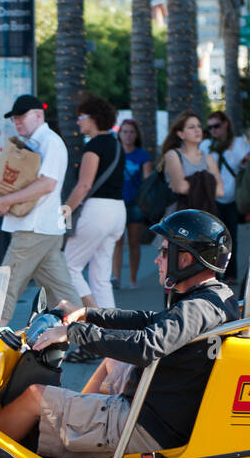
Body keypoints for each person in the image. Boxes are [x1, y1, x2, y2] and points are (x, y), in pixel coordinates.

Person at [0, 210, 240, 458]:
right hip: (160, 411)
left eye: (164, 252)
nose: (157, 260)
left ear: (185, 259)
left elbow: (147, 344)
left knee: (35, 396)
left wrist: (73, 332)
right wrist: (89, 314)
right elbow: (150, 320)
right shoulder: (214, 298)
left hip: (146, 426)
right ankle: (74, 432)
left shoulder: (199, 307)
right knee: (112, 362)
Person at [0, 95, 82, 327]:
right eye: (14, 118)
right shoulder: (40, 142)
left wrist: (7, 199)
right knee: (62, 292)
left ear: (38, 115)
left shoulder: (49, 142)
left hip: (33, 228)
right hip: (43, 228)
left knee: (6, 287)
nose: (17, 122)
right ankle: (90, 338)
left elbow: (47, 184)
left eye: (22, 117)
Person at [61, 95, 125, 318]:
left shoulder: (94, 146)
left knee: (68, 267)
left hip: (97, 211)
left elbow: (84, 185)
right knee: (101, 275)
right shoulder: (117, 145)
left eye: (81, 117)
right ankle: (113, 327)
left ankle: (96, 316)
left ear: (94, 118)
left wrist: (65, 211)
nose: (78, 121)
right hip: (118, 212)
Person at [205, 110, 250, 282]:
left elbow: (246, 163)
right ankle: (214, 273)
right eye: (210, 127)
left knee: (231, 238)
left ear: (226, 124)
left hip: (233, 197)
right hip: (213, 198)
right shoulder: (207, 145)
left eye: (216, 126)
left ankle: (231, 273)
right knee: (214, 239)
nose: (213, 130)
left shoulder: (238, 142)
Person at [112, 118, 152, 290]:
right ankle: (116, 278)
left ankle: (133, 279)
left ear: (136, 135)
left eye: (131, 132)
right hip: (116, 202)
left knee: (134, 243)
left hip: (135, 203)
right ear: (119, 134)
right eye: (125, 131)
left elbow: (147, 182)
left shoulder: (142, 155)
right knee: (117, 243)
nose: (128, 135)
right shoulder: (114, 152)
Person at [160, 112, 223, 216]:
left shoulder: (208, 158)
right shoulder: (172, 155)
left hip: (203, 220)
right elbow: (181, 187)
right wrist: (207, 181)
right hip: (176, 221)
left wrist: (193, 182)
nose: (197, 130)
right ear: (181, 134)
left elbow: (220, 192)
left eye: (199, 126)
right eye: (191, 127)